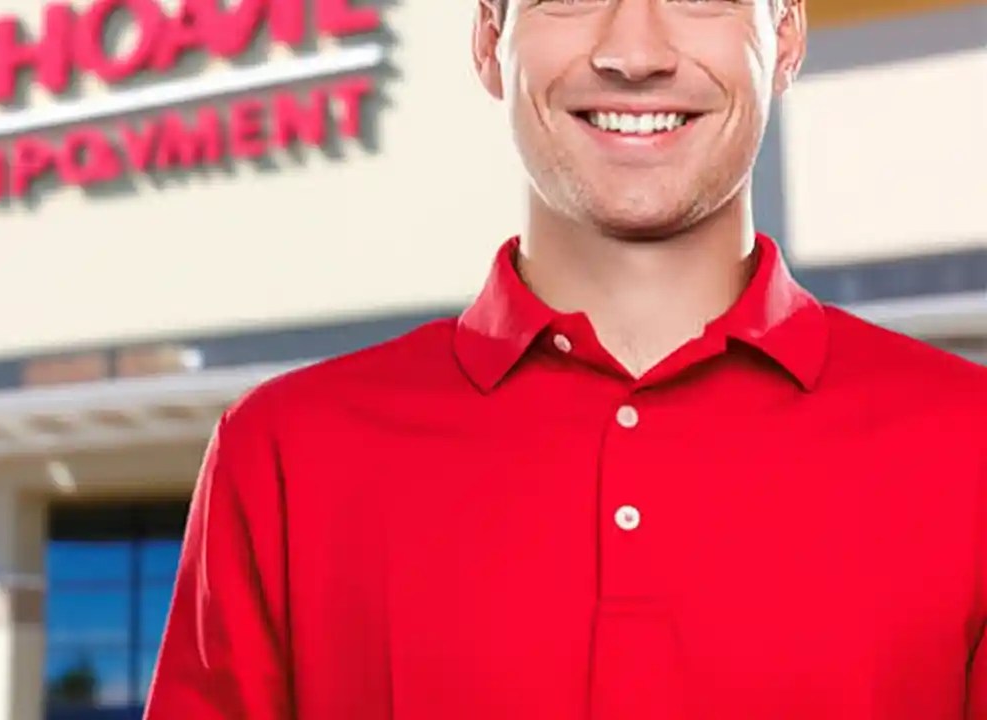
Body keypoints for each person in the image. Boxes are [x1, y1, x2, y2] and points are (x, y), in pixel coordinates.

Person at [144, 0, 987, 717]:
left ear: (788, 35)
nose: (634, 54)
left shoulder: (969, 443)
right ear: (487, 39)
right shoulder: (287, 453)